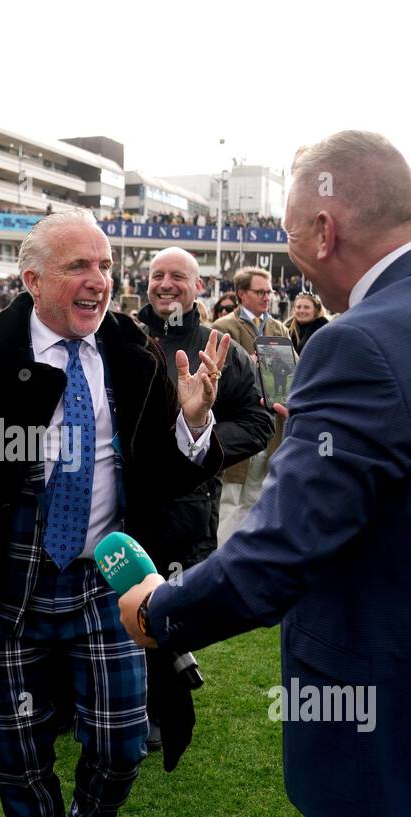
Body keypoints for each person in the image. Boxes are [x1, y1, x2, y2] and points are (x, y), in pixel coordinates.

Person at [118, 131, 411, 817]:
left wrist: (162, 610)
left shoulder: (359, 342)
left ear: (325, 228)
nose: (288, 252)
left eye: (288, 229)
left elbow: (281, 548)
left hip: (383, 723)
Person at [0, 210, 227, 817]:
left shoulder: (132, 355)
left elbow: (166, 474)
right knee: (19, 760)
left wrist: (194, 426)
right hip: (8, 594)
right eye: (79, 266)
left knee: (118, 748)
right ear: (32, 279)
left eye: (106, 266)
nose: (99, 281)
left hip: (105, 586)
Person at [133, 247, 272, 756]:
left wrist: (198, 437)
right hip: (121, 505)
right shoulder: (119, 339)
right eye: (156, 275)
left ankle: (164, 713)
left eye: (177, 276)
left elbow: (257, 423)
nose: (165, 284)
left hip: (183, 509)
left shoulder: (220, 347)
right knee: (112, 604)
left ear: (198, 286)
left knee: (163, 609)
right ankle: (106, 702)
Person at [212, 266, 288, 544]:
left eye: (269, 292)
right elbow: (214, 375)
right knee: (230, 502)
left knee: (257, 499)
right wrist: (248, 365)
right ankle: (221, 561)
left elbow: (290, 377)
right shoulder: (223, 327)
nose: (267, 297)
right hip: (239, 426)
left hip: (270, 429)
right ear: (242, 294)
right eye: (260, 292)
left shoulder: (278, 327)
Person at [284, 290, 329, 355]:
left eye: (306, 307)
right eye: (298, 307)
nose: (301, 311)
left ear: (316, 310)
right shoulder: (286, 328)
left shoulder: (325, 330)